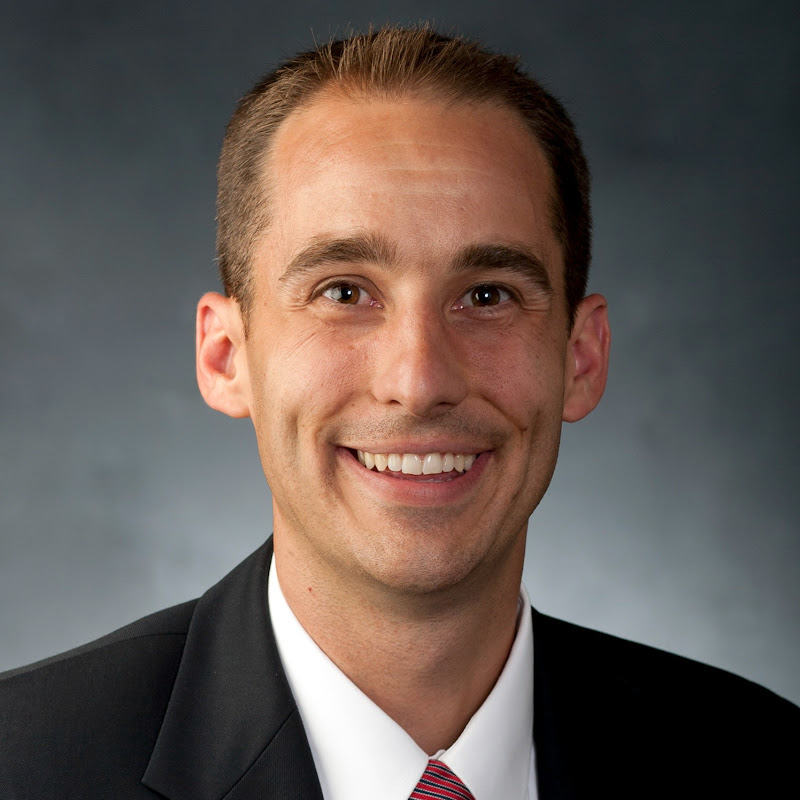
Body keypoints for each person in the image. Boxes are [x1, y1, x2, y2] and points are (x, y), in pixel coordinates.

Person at [0, 26, 796, 800]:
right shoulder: (23, 766)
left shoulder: (761, 760)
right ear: (225, 357)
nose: (418, 381)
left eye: (488, 296)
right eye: (344, 291)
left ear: (580, 358)